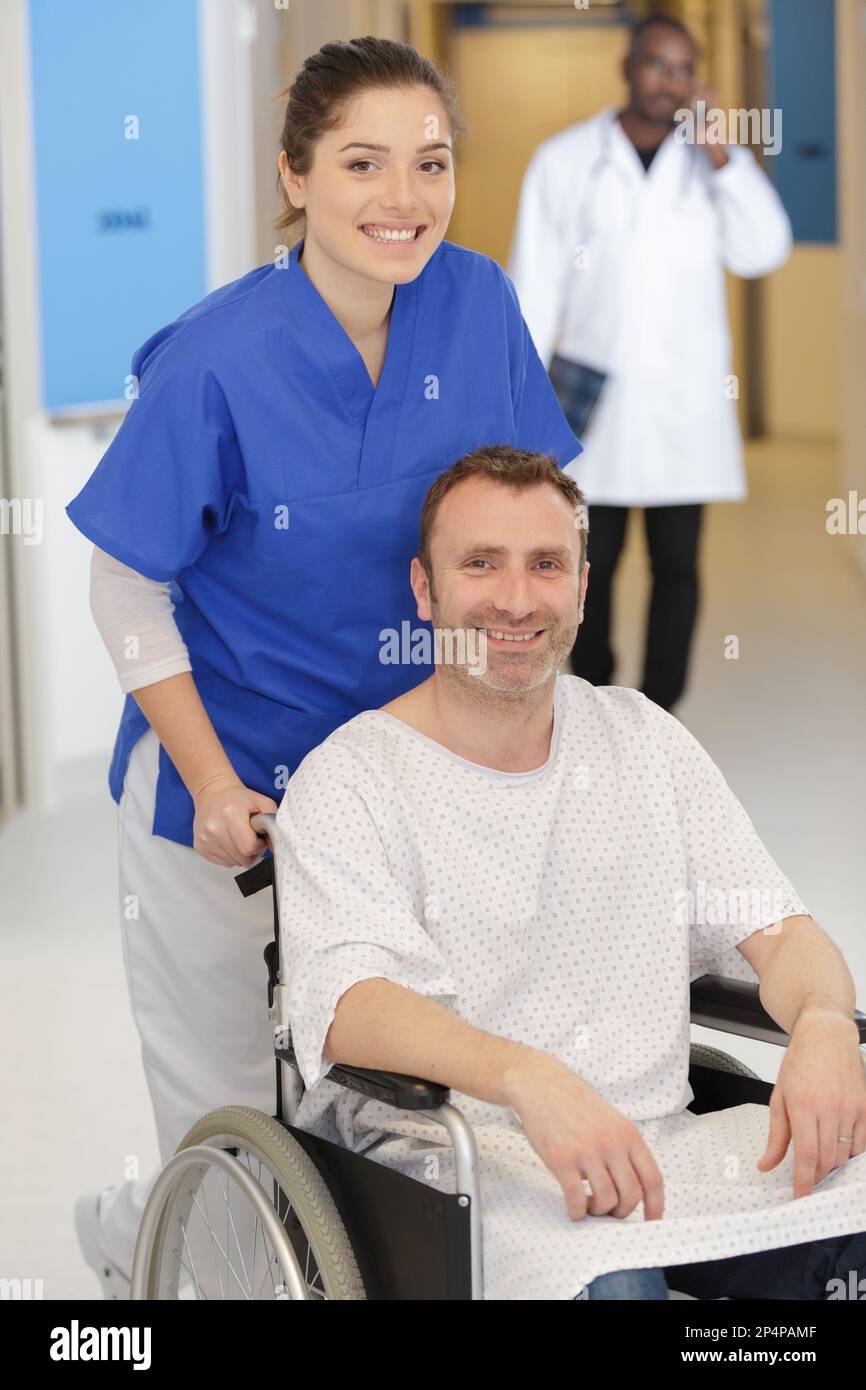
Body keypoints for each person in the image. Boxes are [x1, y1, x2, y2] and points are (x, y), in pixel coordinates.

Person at [67, 36, 583, 1298]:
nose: (399, 197)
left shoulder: (476, 302)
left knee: (387, 1085)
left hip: (406, 778)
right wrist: (210, 779)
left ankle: (148, 1219)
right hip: (230, 777)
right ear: (294, 175)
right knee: (234, 1085)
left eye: (428, 162)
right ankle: (170, 1237)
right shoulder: (215, 358)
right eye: (361, 163)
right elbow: (124, 580)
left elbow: (536, 507)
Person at [274, 447, 866, 1301]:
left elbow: (781, 932)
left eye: (545, 565)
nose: (516, 599)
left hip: (666, 1150)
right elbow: (351, 1000)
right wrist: (529, 1077)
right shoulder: (352, 779)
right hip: (465, 1171)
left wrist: (820, 1022)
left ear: (583, 588)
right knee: (619, 1286)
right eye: (481, 563)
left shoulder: (643, 740)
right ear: (423, 588)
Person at [508, 13, 792, 711]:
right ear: (627, 67)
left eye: (682, 69)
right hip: (587, 397)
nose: (668, 81)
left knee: (677, 566)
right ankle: (600, 701)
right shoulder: (566, 159)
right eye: (656, 65)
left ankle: (661, 710)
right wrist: (519, 401)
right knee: (585, 565)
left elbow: (764, 250)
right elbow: (534, 285)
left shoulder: (712, 165)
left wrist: (724, 153)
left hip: (682, 404)